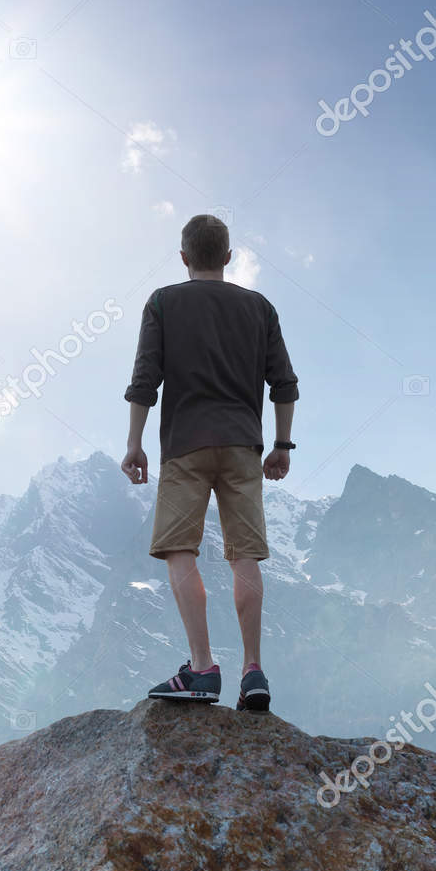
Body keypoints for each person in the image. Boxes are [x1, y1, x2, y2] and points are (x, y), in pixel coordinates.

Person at [121, 213, 298, 711]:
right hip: (243, 446)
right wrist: (282, 445)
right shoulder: (259, 307)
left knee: (180, 549)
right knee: (246, 555)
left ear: (183, 258)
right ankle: (253, 671)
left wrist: (134, 444)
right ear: (227, 256)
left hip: (185, 446)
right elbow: (284, 383)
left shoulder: (162, 302)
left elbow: (144, 381)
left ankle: (201, 668)